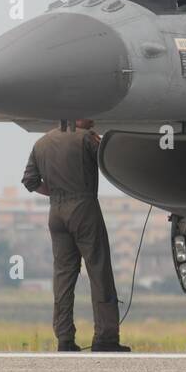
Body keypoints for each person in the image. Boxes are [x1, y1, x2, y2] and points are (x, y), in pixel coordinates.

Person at [22, 120, 129, 352]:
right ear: (76, 115)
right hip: (83, 208)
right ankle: (105, 337)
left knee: (63, 277)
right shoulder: (86, 138)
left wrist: (55, 190)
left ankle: (64, 339)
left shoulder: (41, 142)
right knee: (99, 271)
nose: (94, 121)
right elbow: (111, 162)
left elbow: (29, 181)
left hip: (56, 211)